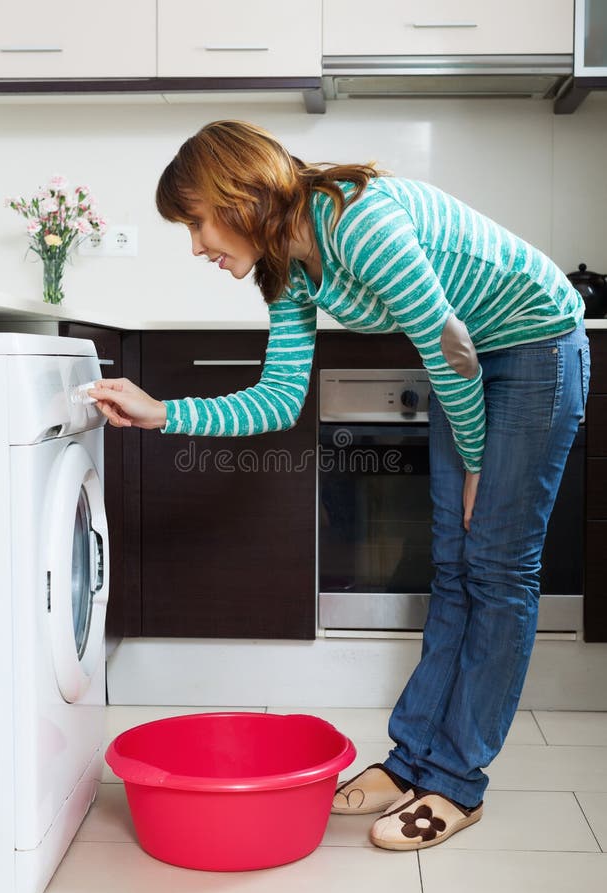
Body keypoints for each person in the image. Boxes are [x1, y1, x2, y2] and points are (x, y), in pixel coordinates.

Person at [89, 120, 590, 851]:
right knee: (452, 566)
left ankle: (456, 781)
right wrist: (161, 412)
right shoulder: (286, 268)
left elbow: (444, 343)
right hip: (471, 365)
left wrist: (477, 465)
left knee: (497, 567)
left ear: (240, 192)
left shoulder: (358, 219)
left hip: (535, 345)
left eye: (196, 222)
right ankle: (414, 759)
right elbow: (279, 398)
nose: (196, 245)